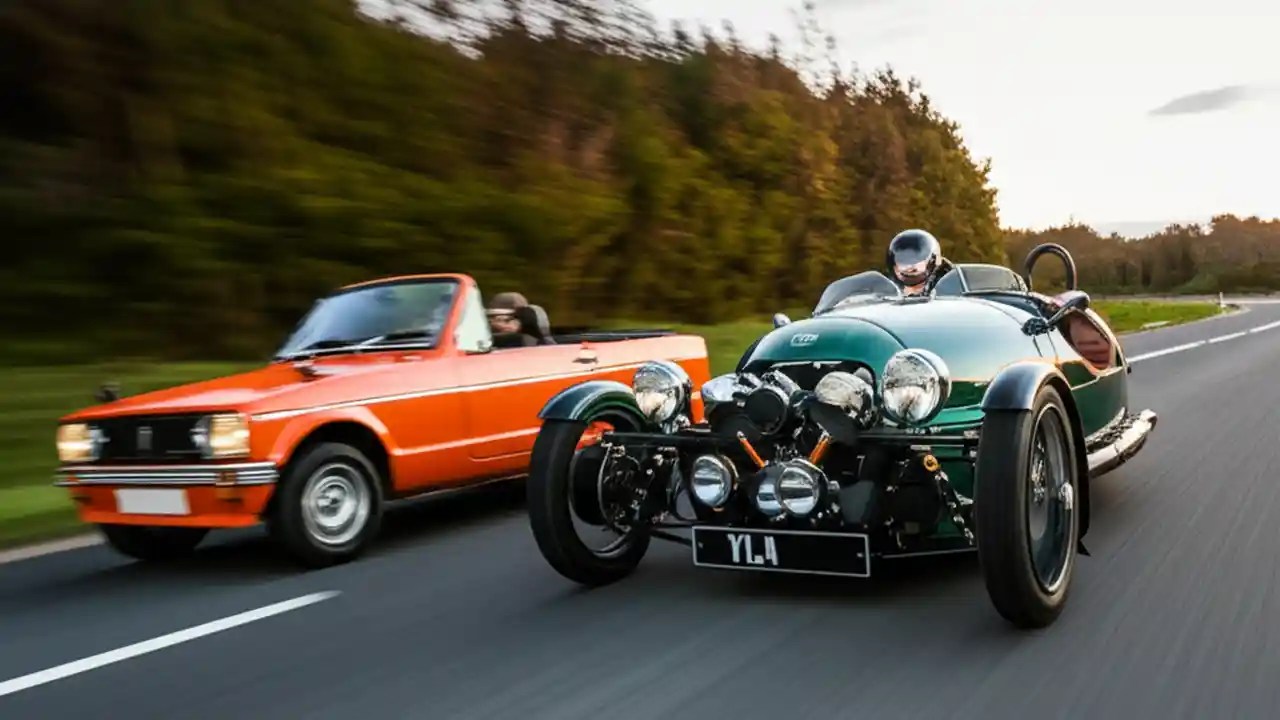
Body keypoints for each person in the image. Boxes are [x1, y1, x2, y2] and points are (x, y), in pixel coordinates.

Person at [885, 229, 954, 295]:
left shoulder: (952, 286)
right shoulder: (884, 288)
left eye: (915, 261)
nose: (909, 267)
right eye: (903, 261)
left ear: (932, 261)